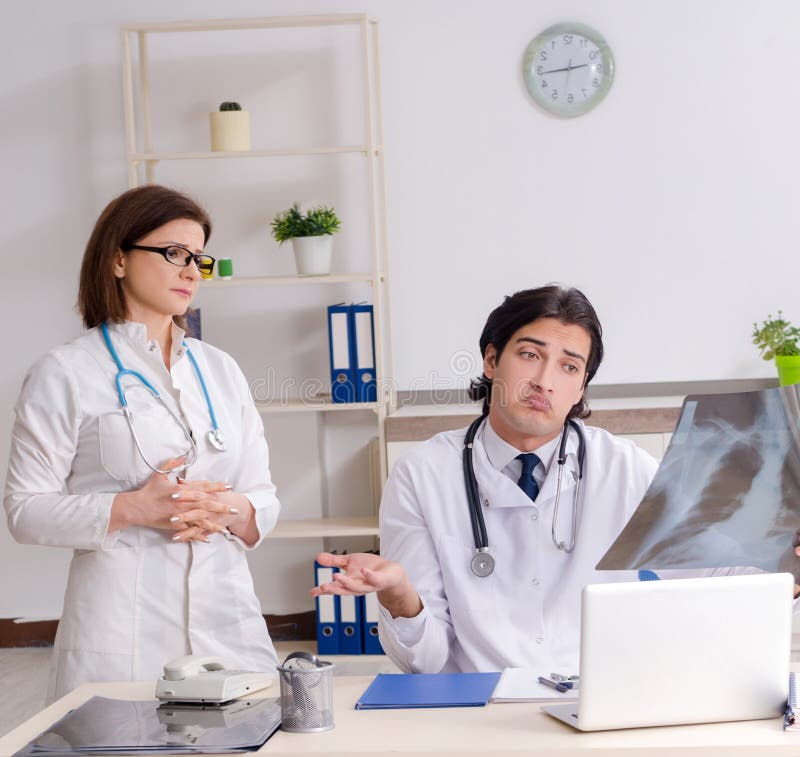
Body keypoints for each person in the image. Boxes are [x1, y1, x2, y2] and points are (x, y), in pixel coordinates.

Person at [312, 285, 786, 675]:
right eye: (529, 354)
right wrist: (399, 595)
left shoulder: (625, 468)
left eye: (569, 366)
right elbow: (428, 661)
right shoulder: (422, 475)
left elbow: (720, 574)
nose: (545, 381)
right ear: (492, 360)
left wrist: (787, 558)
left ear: (581, 387)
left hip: (598, 704)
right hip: (477, 711)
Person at [4, 185, 280, 701]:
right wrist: (132, 508)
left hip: (229, 620)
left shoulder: (220, 369)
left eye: (199, 259)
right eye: (174, 253)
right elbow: (24, 510)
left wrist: (229, 508)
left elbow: (263, 495)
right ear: (118, 260)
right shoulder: (64, 372)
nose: (191, 271)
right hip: (121, 630)